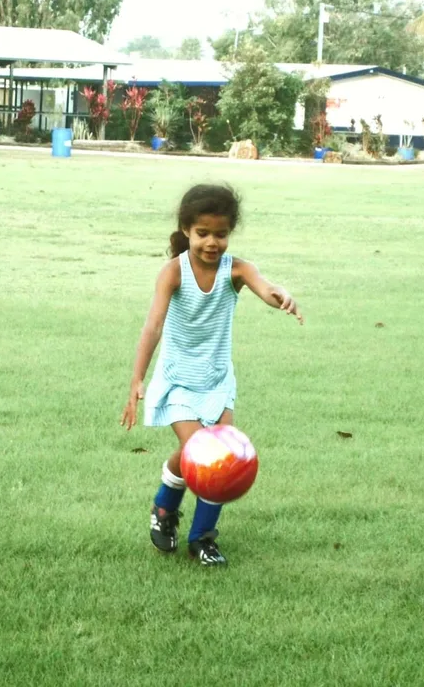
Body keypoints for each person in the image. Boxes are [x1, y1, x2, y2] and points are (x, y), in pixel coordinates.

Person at [120, 183, 303, 566]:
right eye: (203, 233)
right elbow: (152, 327)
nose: (211, 242)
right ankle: (164, 508)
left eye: (220, 234)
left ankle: (202, 539)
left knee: (222, 460)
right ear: (186, 229)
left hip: (217, 380)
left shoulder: (237, 269)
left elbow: (265, 289)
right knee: (200, 453)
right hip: (178, 381)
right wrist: (137, 379)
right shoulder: (173, 272)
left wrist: (281, 296)